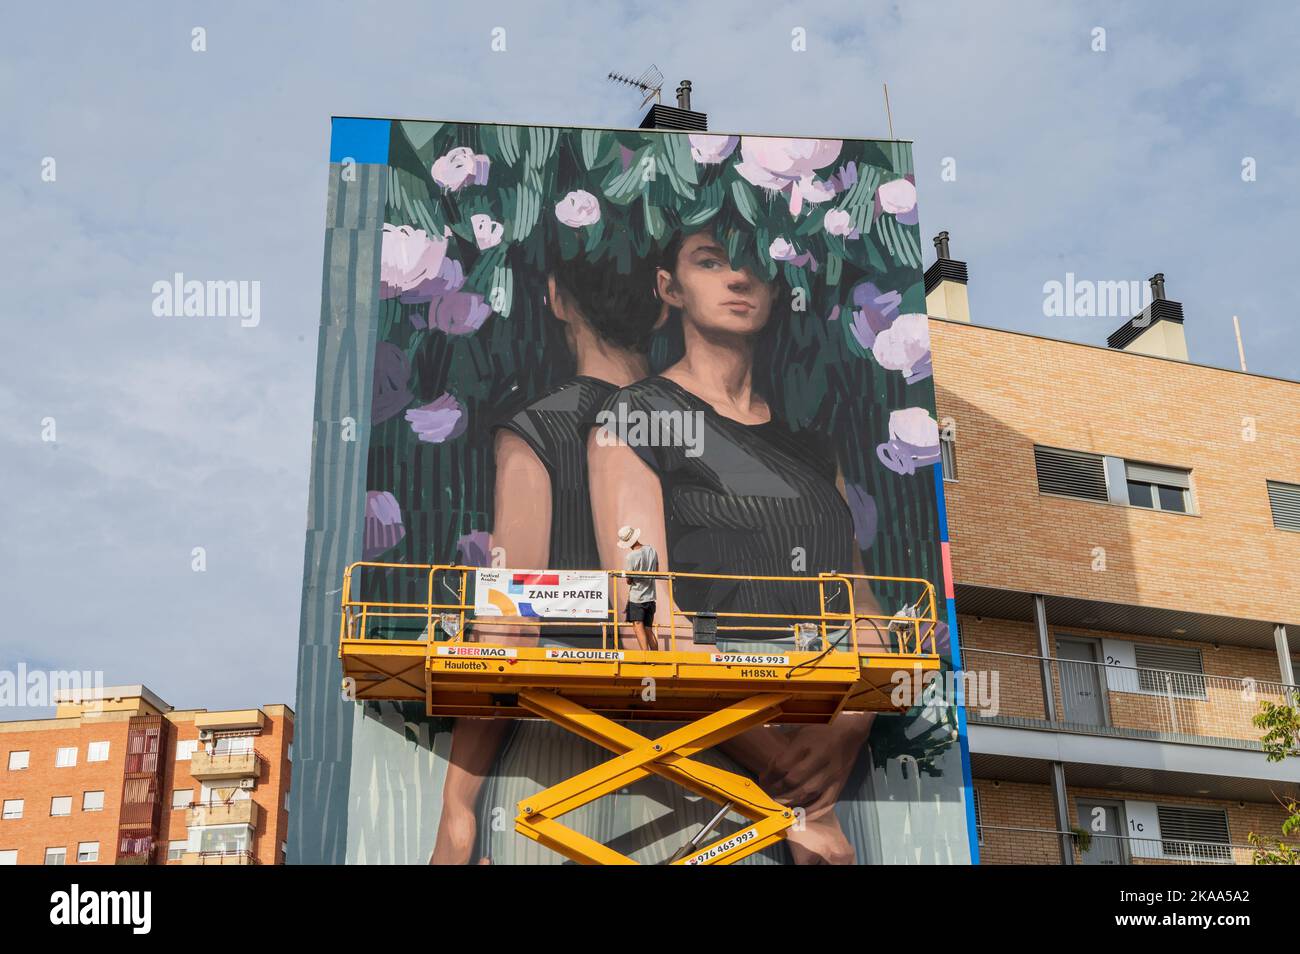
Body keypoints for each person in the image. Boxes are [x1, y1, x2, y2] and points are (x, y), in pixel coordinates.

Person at [587, 228, 888, 864]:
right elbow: (645, 609)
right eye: (711, 262)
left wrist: (848, 729)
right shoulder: (635, 414)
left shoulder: (813, 447)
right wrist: (800, 791)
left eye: (754, 266)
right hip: (703, 761)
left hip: (831, 730)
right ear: (669, 287)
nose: (738, 278)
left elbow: (864, 614)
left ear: (777, 293)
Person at [428, 253, 664, 865]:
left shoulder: (538, 428)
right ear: (666, 301)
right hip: (706, 741)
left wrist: (457, 809)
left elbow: (509, 622)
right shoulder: (706, 429)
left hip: (556, 758)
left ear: (557, 298)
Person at [617, 525, 659, 651]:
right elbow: (657, 571)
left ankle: (645, 657)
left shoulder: (631, 556)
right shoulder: (652, 550)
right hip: (651, 596)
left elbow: (629, 580)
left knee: (638, 627)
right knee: (648, 629)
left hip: (637, 598)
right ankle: (657, 657)